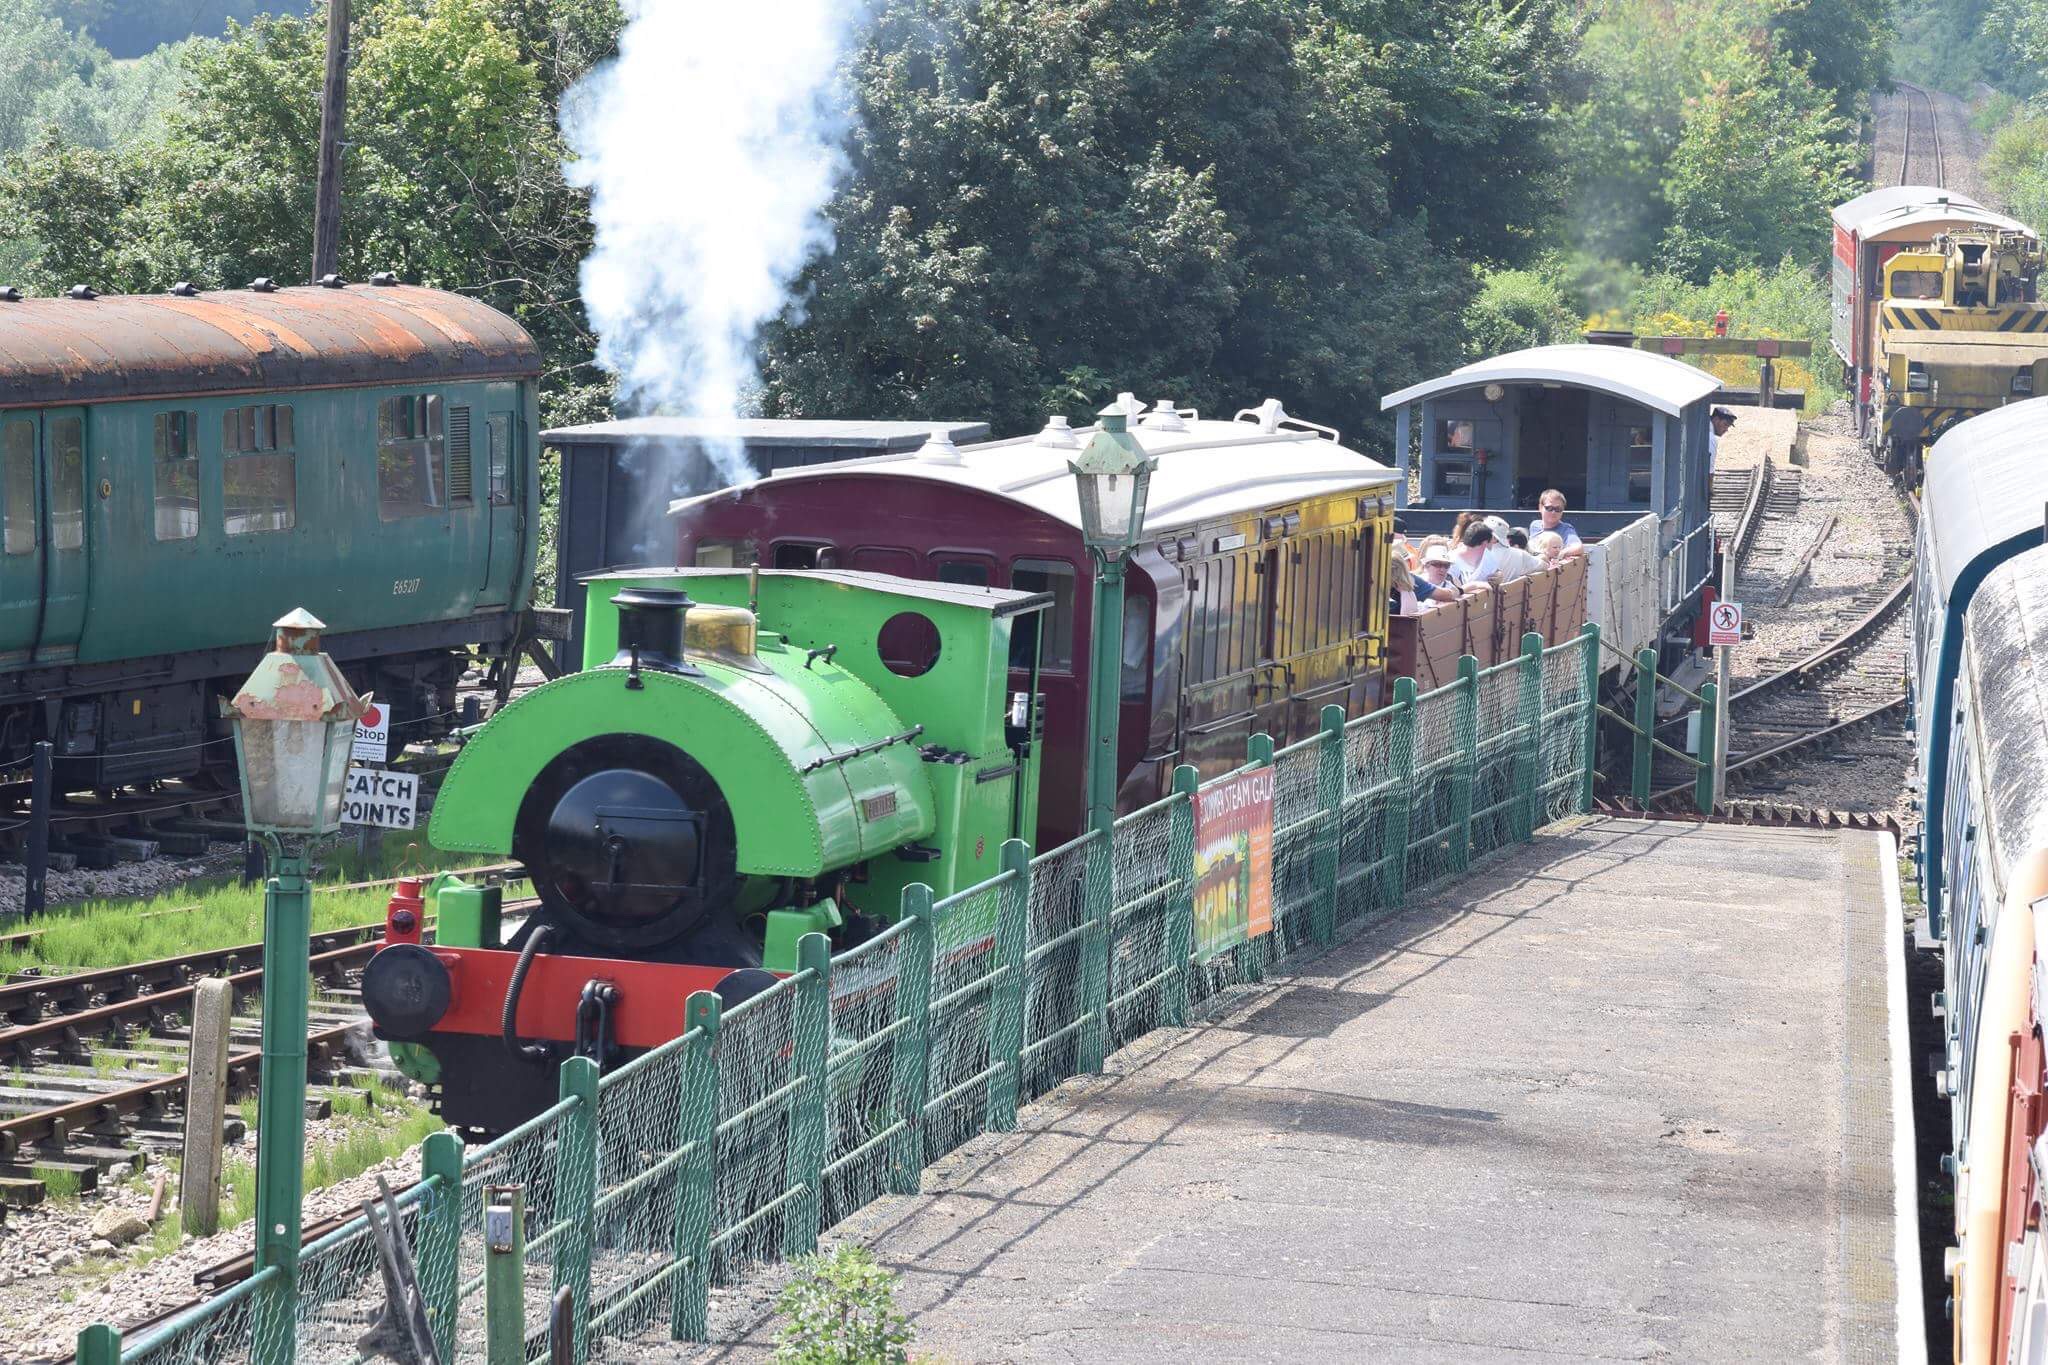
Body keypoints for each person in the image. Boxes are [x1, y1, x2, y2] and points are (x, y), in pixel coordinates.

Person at [1403, 546, 1463, 614]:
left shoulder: (1451, 588)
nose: (1442, 569)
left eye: (1446, 565)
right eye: (1437, 564)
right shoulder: (1414, 582)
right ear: (1426, 566)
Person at [1527, 490, 1585, 556]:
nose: (1553, 512)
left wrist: (1559, 555)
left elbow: (1579, 547)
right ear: (1540, 507)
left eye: (1558, 509)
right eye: (1549, 508)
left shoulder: (1566, 529)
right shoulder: (1534, 525)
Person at [1448, 521, 1505, 587]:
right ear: (1485, 543)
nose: (1493, 543)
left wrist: (1499, 576)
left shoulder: (1488, 556)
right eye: (1492, 541)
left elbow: (1496, 571)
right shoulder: (1450, 560)